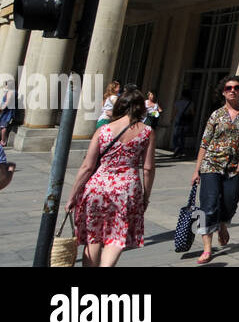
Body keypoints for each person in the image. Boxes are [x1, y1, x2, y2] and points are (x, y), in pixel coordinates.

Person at [65, 86, 155, 267]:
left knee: (93, 236)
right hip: (127, 188)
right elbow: (148, 168)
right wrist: (146, 196)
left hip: (97, 186)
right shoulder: (147, 132)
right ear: (141, 108)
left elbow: (87, 166)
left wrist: (73, 196)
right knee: (116, 237)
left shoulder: (103, 130)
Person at [190, 75, 239, 265]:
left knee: (230, 202)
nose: (232, 90)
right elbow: (204, 144)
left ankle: (223, 223)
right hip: (211, 164)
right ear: (223, 92)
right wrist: (197, 170)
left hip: (235, 166)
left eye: (236, 87)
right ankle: (207, 248)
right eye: (228, 88)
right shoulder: (216, 115)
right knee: (208, 205)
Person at [171, 88, 193, 158]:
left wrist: (172, 119)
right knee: (182, 137)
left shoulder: (178, 102)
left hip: (178, 120)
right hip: (186, 121)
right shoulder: (190, 103)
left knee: (175, 136)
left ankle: (176, 148)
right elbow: (192, 113)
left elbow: (174, 112)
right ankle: (180, 151)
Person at [0, 79, 14, 147]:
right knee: (2, 126)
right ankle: (2, 140)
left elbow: (7, 102)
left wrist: (1, 109)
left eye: (6, 84)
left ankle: (3, 141)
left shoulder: (10, 92)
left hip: (7, 112)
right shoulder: (9, 92)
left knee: (3, 126)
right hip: (6, 111)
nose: (5, 85)